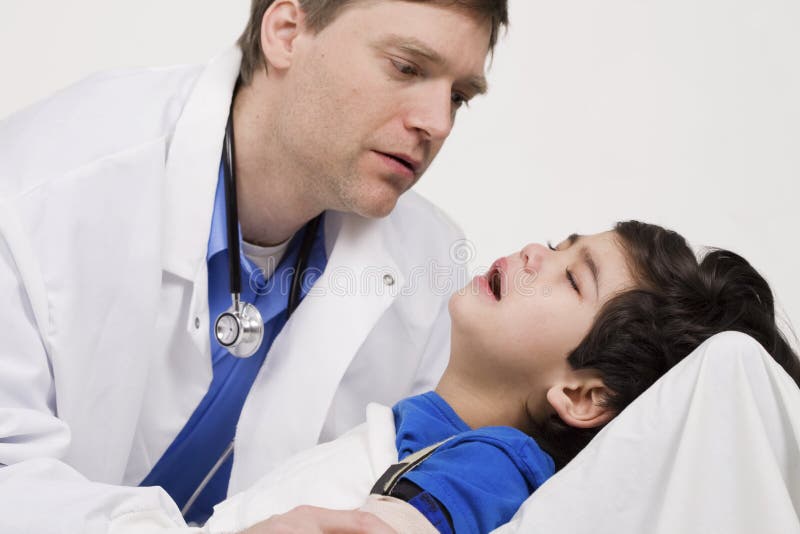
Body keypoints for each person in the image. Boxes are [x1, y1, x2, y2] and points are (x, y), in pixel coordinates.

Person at [0, 1, 508, 532]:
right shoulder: (42, 185)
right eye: (406, 68)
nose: (437, 123)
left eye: (459, 96)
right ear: (287, 33)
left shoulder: (433, 266)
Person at [202, 220, 800, 534]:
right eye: (555, 244)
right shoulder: (429, 434)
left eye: (573, 277)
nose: (535, 255)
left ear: (583, 395)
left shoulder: (496, 464)